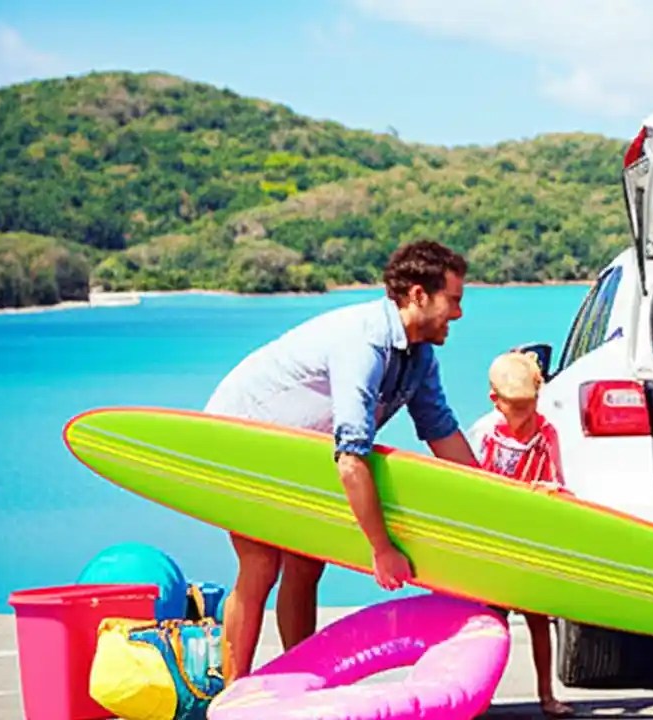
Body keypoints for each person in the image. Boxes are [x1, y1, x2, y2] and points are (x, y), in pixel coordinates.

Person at [204, 239, 479, 683]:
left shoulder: (421, 355)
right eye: (454, 300)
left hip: (298, 449)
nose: (459, 314)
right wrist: (382, 549)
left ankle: (296, 686)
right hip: (241, 437)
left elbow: (440, 430)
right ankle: (232, 696)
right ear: (417, 295)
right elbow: (351, 456)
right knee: (259, 567)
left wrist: (489, 496)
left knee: (308, 563)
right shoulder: (364, 342)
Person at [469, 350, 574, 718]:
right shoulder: (485, 432)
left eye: (529, 405)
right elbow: (469, 484)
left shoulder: (546, 432)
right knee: (489, 624)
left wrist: (552, 492)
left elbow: (559, 482)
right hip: (494, 542)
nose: (523, 415)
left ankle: (547, 694)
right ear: (494, 399)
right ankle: (479, 696)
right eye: (514, 407)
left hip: (531, 539)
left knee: (538, 621)